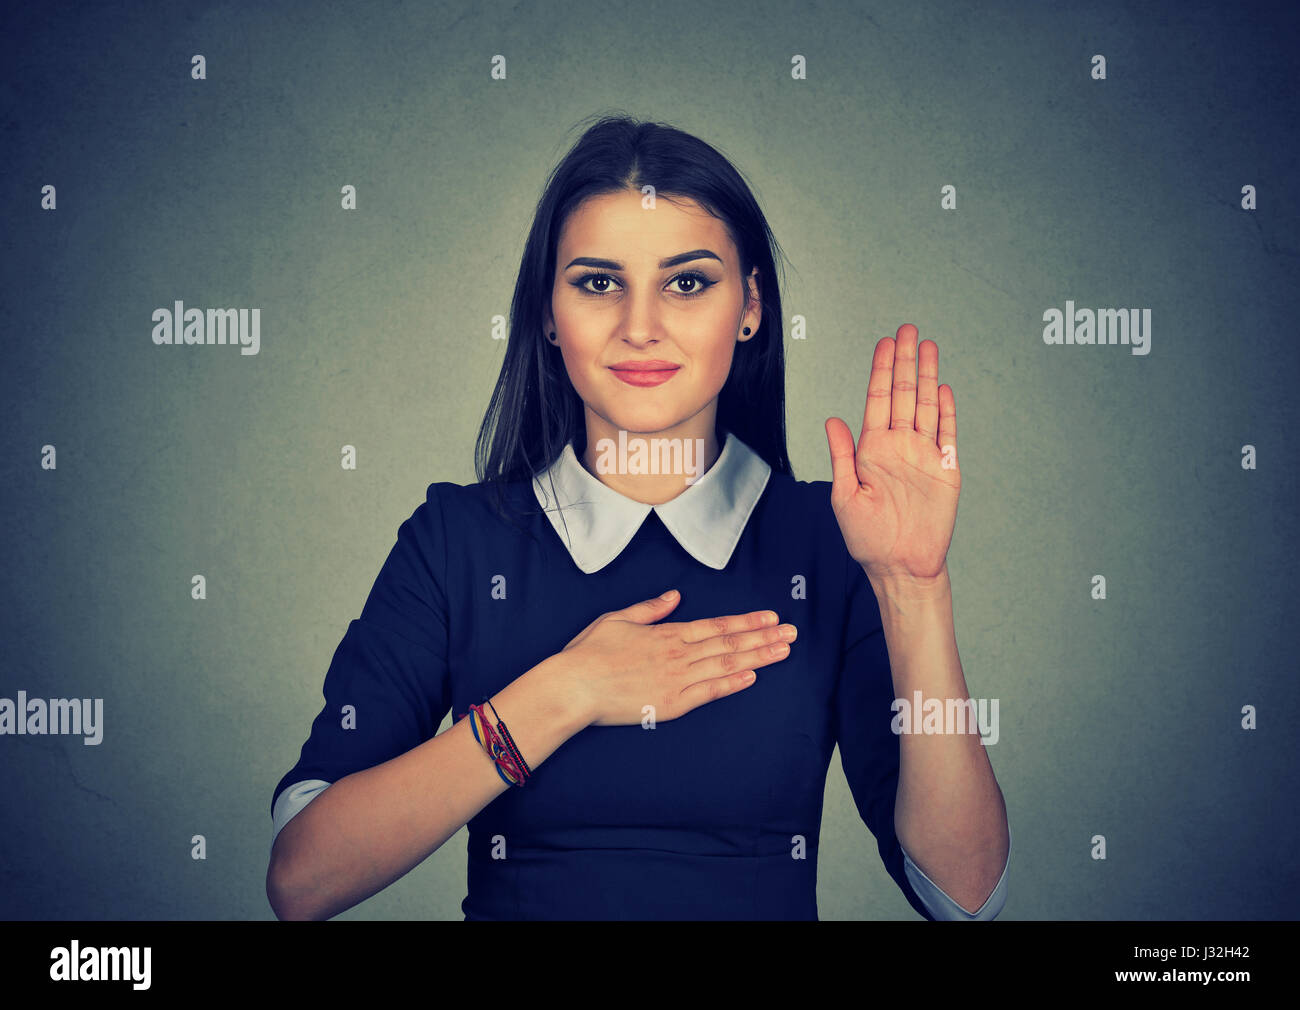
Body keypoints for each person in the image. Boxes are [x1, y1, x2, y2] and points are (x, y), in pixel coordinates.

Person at [265, 113, 1010, 921]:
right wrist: (570, 690)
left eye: (687, 282)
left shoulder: (835, 544)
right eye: (597, 282)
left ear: (751, 306)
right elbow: (304, 879)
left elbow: (965, 898)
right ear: (548, 312)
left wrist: (914, 586)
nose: (641, 326)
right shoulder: (455, 541)